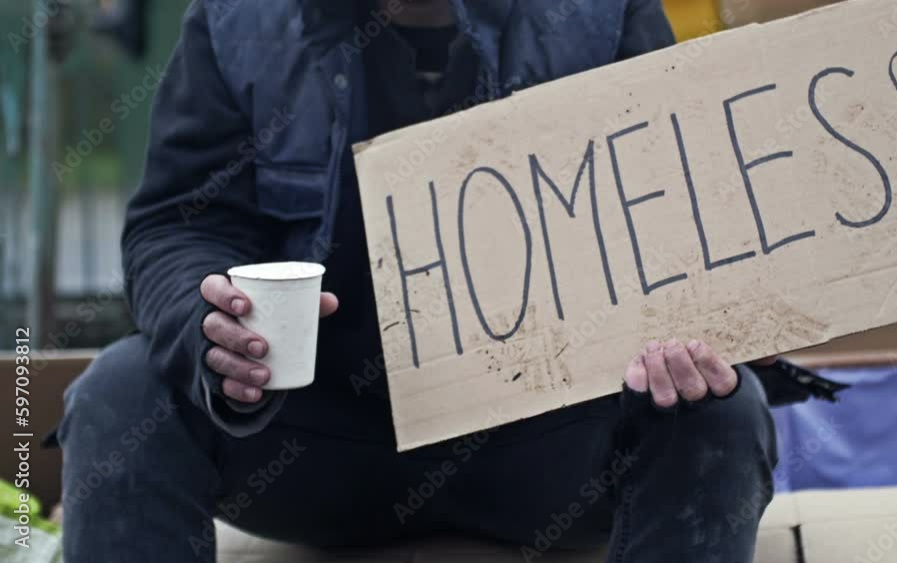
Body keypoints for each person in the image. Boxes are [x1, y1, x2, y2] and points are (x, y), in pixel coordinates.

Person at [58, 1, 844, 561]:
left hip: (550, 441)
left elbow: (680, 218)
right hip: (309, 440)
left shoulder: (602, 13)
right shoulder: (241, 21)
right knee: (117, 394)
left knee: (718, 407)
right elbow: (177, 220)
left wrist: (694, 329)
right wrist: (211, 330)